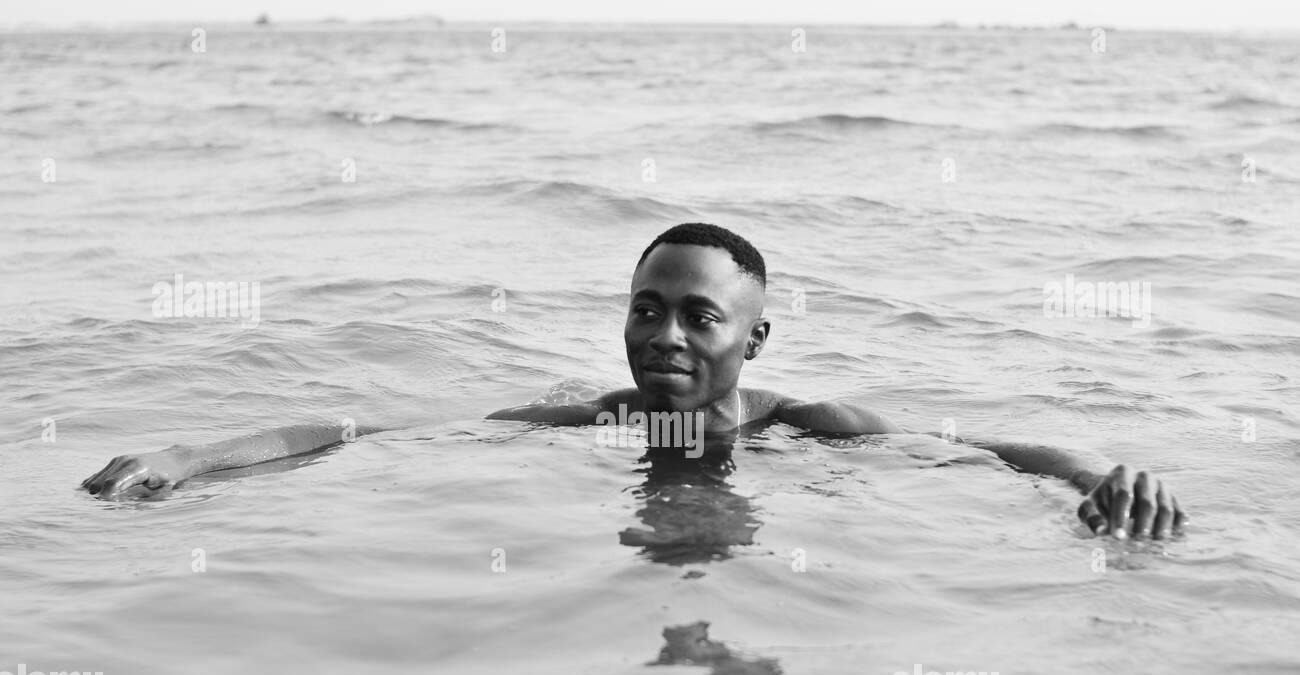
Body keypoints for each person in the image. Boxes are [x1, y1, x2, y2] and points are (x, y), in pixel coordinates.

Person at [81, 222, 1187, 540]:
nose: (663, 331)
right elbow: (359, 429)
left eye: (699, 314)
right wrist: (189, 455)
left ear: (753, 338)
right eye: (645, 306)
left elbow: (997, 452)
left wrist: (1101, 471)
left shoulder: (809, 426)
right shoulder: (587, 421)